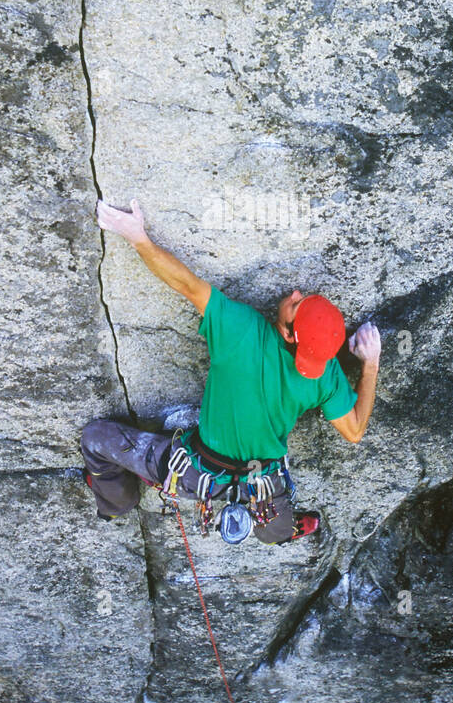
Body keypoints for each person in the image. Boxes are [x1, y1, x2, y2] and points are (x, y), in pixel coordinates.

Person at [80, 199, 381, 545]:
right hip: (263, 485)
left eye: (297, 304)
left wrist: (138, 238)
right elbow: (355, 431)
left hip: (197, 473)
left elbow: (186, 284)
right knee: (274, 531)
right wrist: (369, 363)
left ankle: (117, 504)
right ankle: (285, 528)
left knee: (96, 438)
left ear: (287, 332)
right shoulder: (325, 373)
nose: (295, 293)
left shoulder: (241, 329)